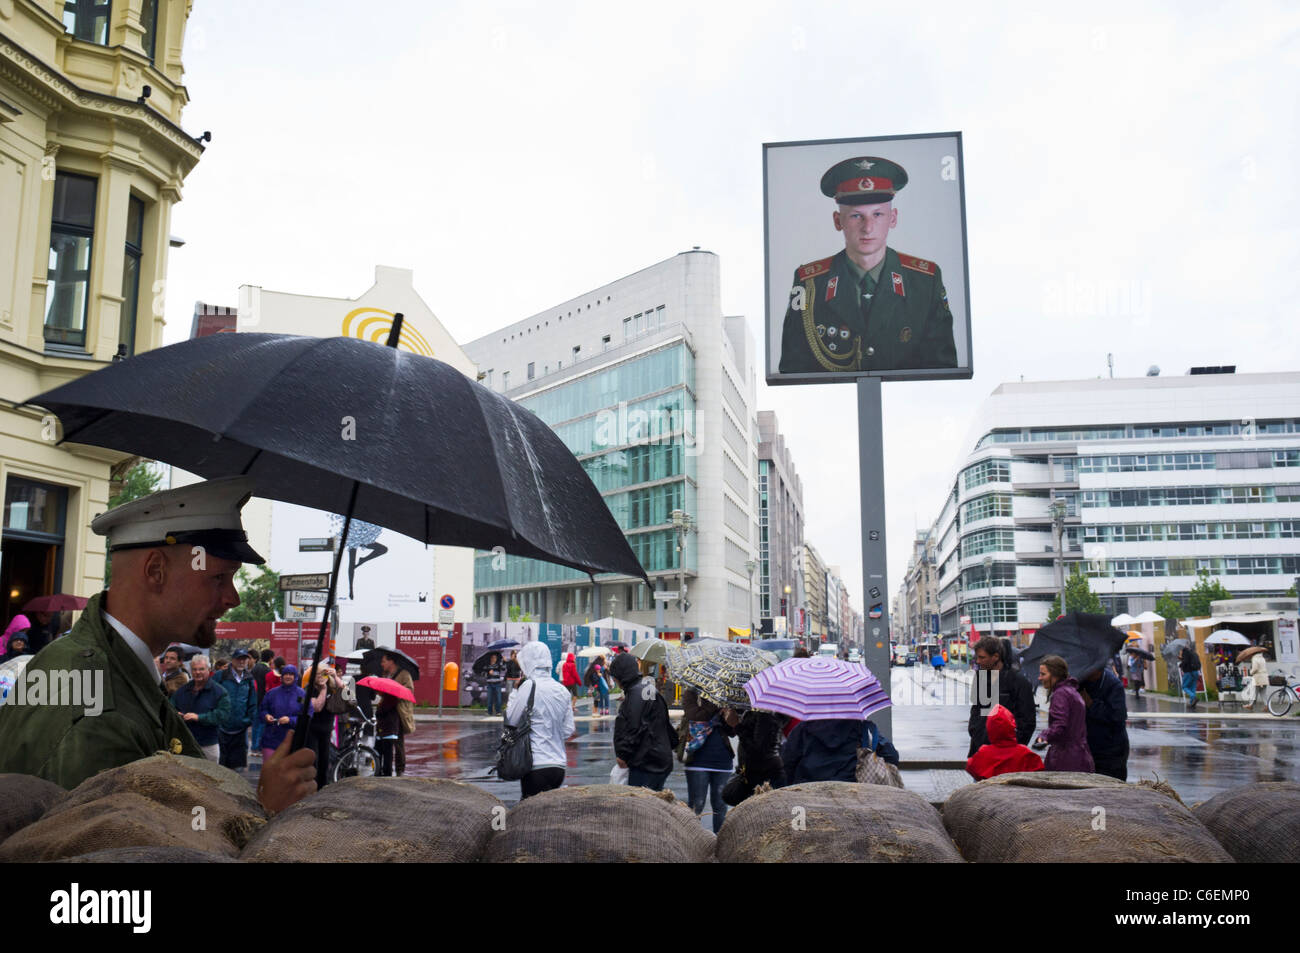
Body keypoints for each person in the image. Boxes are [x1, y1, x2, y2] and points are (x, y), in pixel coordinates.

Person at [0, 477, 316, 812]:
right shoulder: (98, 716)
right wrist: (264, 810)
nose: (232, 597)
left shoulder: (112, 667)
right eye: (218, 577)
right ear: (155, 570)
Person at [777, 155, 957, 375]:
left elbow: (943, 372)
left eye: (878, 214)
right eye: (856, 216)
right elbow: (793, 369)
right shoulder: (808, 284)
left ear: (893, 218)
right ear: (838, 221)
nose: (868, 228)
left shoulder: (925, 282)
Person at [507, 641, 576, 798]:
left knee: (530, 816)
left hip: (535, 765)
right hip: (558, 766)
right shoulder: (562, 690)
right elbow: (568, 729)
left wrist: (514, 692)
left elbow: (512, 719)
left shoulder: (528, 686)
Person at [611, 652, 676, 790]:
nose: (615, 681)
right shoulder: (646, 689)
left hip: (646, 764)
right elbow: (663, 723)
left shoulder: (636, 693)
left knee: (640, 808)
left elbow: (634, 728)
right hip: (658, 759)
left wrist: (623, 754)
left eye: (615, 677)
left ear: (621, 675)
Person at [967, 636, 1037, 758]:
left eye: (982, 657)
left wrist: (1015, 746)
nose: (978, 661)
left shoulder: (1018, 681)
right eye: (977, 657)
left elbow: (1027, 720)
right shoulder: (980, 678)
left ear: (996, 657)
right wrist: (975, 733)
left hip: (1008, 755)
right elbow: (976, 710)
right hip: (981, 752)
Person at [783, 716, 898, 784]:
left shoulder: (803, 729)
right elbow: (891, 755)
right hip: (851, 791)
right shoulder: (861, 727)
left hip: (808, 790)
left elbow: (788, 761)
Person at [680, 690, 734, 833]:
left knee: (721, 806)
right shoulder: (691, 694)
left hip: (723, 760)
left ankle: (719, 847)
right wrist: (715, 704)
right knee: (696, 804)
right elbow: (695, 715)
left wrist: (728, 714)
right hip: (698, 760)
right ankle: (692, 842)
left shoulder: (725, 695)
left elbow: (733, 731)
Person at [1033, 655, 1094, 773]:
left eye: (1043, 674)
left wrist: (1044, 736)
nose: (1039, 678)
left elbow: (1059, 724)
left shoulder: (1060, 694)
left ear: (1055, 675)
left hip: (1066, 758)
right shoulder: (1071, 690)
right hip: (1080, 754)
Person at [169, 654, 230, 762]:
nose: (197, 672)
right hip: (185, 745)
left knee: (210, 777)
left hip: (208, 745)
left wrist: (199, 717)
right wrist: (176, 714)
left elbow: (223, 715)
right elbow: (170, 707)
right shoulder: (182, 691)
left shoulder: (220, 692)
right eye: (194, 669)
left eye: (201, 669)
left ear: (209, 669)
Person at [966, 704, 1044, 781]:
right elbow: (1038, 769)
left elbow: (971, 766)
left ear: (989, 729)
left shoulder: (984, 753)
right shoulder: (1024, 753)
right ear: (1012, 725)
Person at [1079, 665, 1130, 781]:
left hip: (1112, 750)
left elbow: (1117, 716)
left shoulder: (1113, 685)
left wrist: (1091, 704)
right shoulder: (1081, 682)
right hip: (1089, 747)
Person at [212, 649, 258, 771]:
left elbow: (252, 703)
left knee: (237, 771)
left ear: (248, 661)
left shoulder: (249, 679)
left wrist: (247, 721)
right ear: (232, 660)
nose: (241, 661)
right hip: (220, 729)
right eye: (239, 658)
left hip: (240, 731)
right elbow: (210, 697)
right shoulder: (220, 676)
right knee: (219, 769)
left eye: (244, 659)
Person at [378, 652, 416, 777]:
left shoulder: (404, 675)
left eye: (384, 661)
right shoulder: (385, 675)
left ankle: (400, 769)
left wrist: (395, 689)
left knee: (398, 742)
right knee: (385, 741)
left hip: (399, 712)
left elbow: (409, 691)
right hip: (387, 712)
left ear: (391, 662)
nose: (382, 664)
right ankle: (385, 767)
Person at [307, 664, 343, 788]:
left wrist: (335, 677)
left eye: (324, 674)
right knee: (314, 759)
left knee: (325, 759)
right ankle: (313, 785)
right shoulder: (309, 689)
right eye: (318, 674)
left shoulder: (332, 687)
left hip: (326, 729)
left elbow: (348, 695)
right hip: (312, 729)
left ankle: (323, 785)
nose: (321, 677)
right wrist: (323, 690)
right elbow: (317, 707)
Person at [260, 663, 305, 762]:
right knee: (270, 770)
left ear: (295, 677)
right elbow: (263, 709)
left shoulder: (301, 695)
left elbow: (307, 714)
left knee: (287, 773)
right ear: (282, 676)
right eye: (286, 674)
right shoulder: (272, 693)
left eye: (291, 674)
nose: (288, 676)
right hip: (271, 738)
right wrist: (266, 716)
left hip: (292, 740)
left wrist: (290, 720)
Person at [249, 649, 272, 754]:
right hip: (263, 700)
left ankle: (253, 746)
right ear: (271, 658)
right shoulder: (268, 671)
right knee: (262, 724)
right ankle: (258, 746)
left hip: (254, 700)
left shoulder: (254, 669)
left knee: (255, 725)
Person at [1178, 642, 1202, 710]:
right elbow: (1188, 660)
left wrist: (1180, 665)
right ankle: (1192, 703)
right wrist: (1181, 658)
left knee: (1184, 686)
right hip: (1196, 672)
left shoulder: (1185, 652)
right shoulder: (1193, 653)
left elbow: (1185, 661)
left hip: (1189, 672)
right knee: (1192, 687)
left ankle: (1193, 697)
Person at [484, 651, 506, 716]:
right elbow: (483, 674)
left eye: (495, 658)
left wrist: (504, 661)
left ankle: (498, 711)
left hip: (497, 684)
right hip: (490, 684)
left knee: (498, 699)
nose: (494, 659)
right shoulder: (487, 666)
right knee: (489, 699)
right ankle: (489, 712)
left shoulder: (498, 665)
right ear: (490, 658)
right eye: (493, 658)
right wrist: (488, 673)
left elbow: (503, 669)